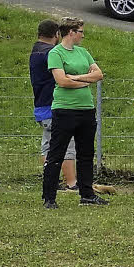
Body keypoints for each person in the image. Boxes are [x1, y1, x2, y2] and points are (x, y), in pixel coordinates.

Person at [41, 17, 108, 208]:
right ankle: (49, 197)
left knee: (86, 153)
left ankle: (87, 194)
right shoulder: (56, 53)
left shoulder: (83, 52)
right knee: (57, 153)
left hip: (86, 109)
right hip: (65, 110)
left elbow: (98, 74)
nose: (83, 35)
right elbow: (62, 81)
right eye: (80, 32)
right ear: (71, 32)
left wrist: (77, 78)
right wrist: (86, 81)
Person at [29, 19, 76, 191]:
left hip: (41, 106)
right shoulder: (52, 53)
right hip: (55, 105)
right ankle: (71, 183)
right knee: (67, 145)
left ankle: (51, 181)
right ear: (56, 34)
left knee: (48, 145)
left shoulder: (35, 50)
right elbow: (65, 74)